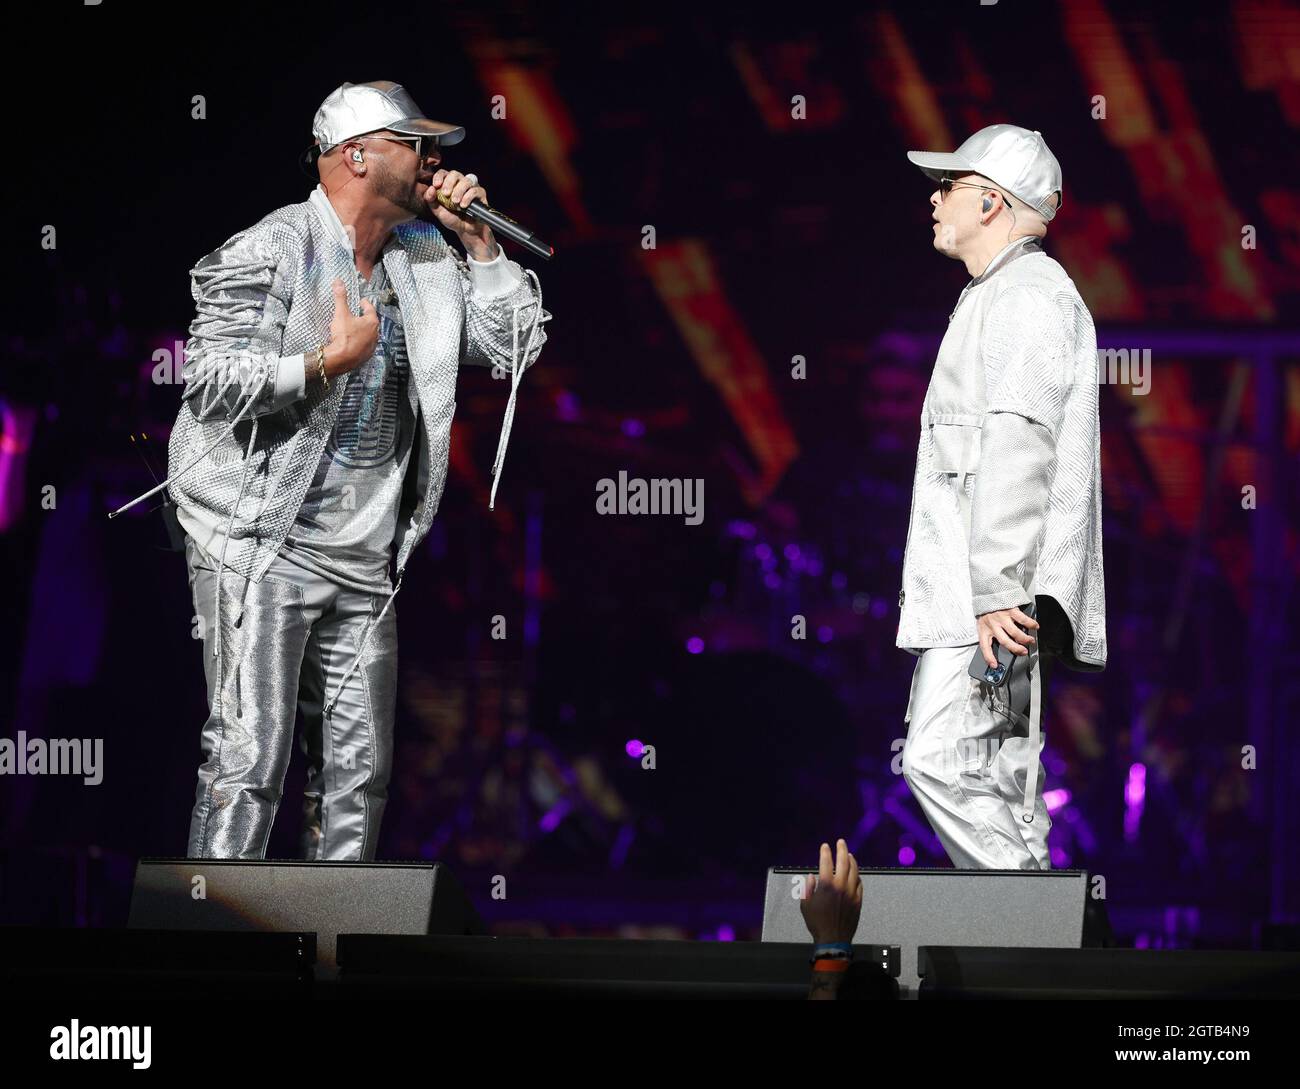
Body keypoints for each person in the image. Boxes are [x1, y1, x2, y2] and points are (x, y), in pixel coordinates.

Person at [114, 80, 550, 860]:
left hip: (366, 556)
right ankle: (217, 949)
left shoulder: (424, 255)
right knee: (250, 757)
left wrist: (482, 248)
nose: (432, 160)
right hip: (258, 541)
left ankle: (328, 957)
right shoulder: (272, 245)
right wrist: (325, 360)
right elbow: (209, 378)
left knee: (359, 774)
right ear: (355, 155)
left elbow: (510, 349)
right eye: (413, 143)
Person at [895, 124, 1106, 871]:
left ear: (991, 201)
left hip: (985, 599)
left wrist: (995, 590)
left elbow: (1019, 448)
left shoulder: (1027, 296)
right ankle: (1047, 952)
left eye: (947, 185)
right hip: (984, 595)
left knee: (942, 760)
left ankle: (1032, 934)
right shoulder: (1004, 295)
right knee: (990, 774)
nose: (935, 198)